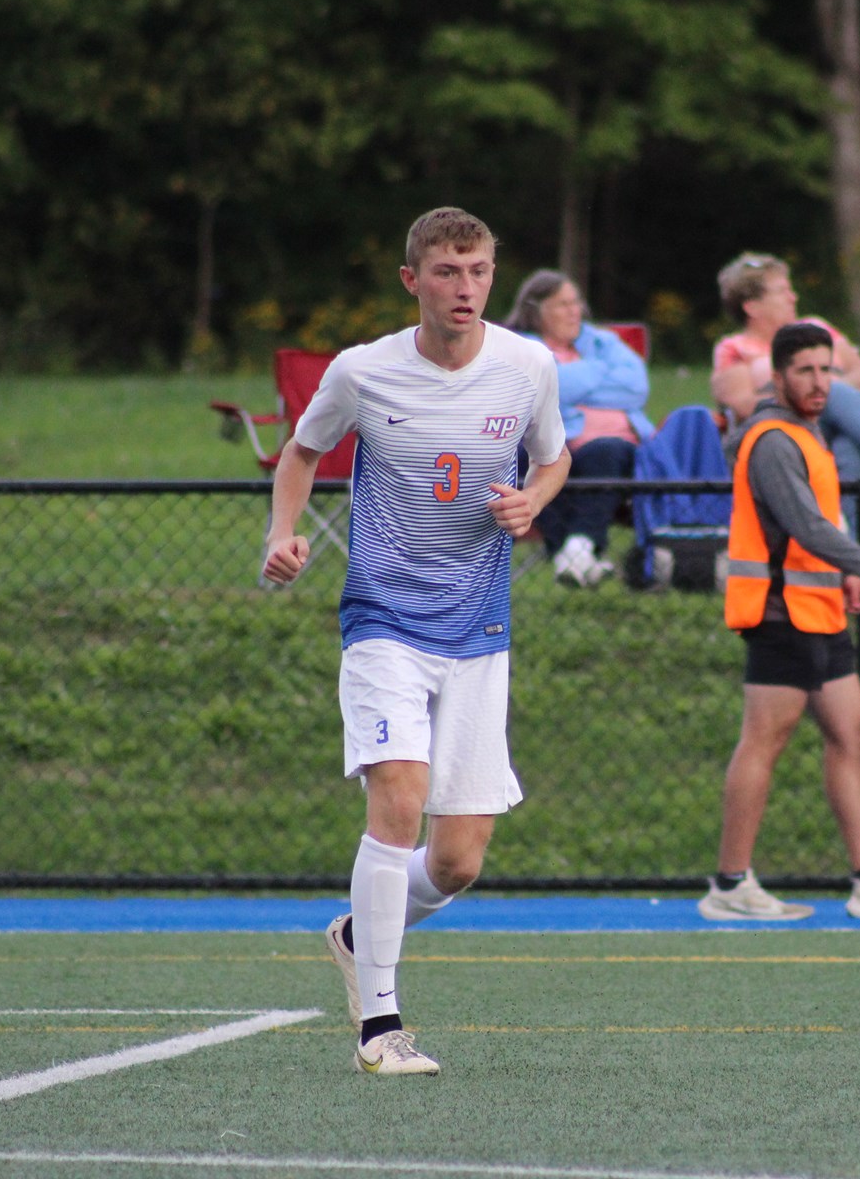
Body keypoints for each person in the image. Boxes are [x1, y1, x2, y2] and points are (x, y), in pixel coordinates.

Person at [260, 207, 569, 1076]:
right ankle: (380, 1026)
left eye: (477, 272)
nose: (464, 289)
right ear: (413, 282)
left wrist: (533, 501)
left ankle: (362, 932)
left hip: (479, 632)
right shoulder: (364, 371)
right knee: (398, 797)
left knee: (460, 860)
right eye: (446, 273)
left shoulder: (528, 366)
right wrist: (282, 536)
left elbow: (554, 458)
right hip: (386, 622)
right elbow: (298, 453)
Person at [699, 321, 860, 922]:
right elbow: (806, 529)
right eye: (805, 371)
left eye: (826, 370)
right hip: (783, 613)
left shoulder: (808, 433)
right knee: (764, 740)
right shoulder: (775, 440)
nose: (819, 383)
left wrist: (846, 573)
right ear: (779, 376)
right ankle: (731, 884)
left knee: (849, 731)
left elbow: (819, 527)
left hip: (820, 608)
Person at [711, 253, 860, 484]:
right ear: (752, 307)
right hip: (780, 434)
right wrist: (809, 392)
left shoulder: (816, 327)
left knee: (848, 444)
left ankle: (853, 520)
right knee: (828, 391)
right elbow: (743, 405)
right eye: (782, 291)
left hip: (836, 426)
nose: (793, 298)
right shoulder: (734, 348)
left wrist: (826, 393)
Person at [505, 269, 654, 587]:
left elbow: (636, 387)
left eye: (576, 303)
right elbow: (543, 390)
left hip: (609, 448)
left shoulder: (602, 341)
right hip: (548, 447)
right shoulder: (518, 347)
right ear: (536, 310)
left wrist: (569, 381)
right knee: (535, 453)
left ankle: (576, 551)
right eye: (563, 304)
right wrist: (600, 373)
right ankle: (576, 554)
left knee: (607, 450)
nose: (575, 312)